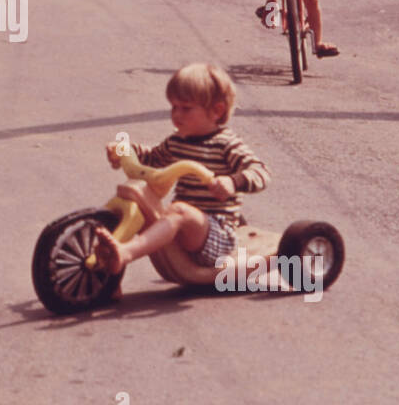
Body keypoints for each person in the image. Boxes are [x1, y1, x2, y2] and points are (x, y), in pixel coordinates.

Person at [92, 64, 269, 278]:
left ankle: (125, 253)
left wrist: (233, 182)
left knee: (178, 211)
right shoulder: (177, 141)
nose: (176, 115)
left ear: (217, 111)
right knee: (144, 209)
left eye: (185, 108)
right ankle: (106, 277)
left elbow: (260, 171)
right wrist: (123, 149)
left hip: (217, 236)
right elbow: (153, 158)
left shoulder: (227, 144)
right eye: (173, 107)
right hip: (186, 229)